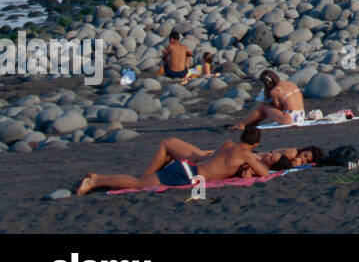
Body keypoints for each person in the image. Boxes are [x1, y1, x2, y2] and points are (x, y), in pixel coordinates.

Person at [75, 126, 269, 194]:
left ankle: (97, 177)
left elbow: (212, 158)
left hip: (188, 166)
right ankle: (95, 182)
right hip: (191, 174)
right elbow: (265, 174)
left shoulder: (228, 144)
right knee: (138, 184)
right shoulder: (245, 155)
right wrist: (252, 160)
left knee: (142, 181)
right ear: (254, 144)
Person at [232, 70, 305, 129]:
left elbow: (278, 108)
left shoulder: (275, 91)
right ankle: (251, 121)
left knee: (263, 105)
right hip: (301, 116)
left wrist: (268, 99)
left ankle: (242, 124)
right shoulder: (289, 83)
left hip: (289, 119)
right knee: (265, 106)